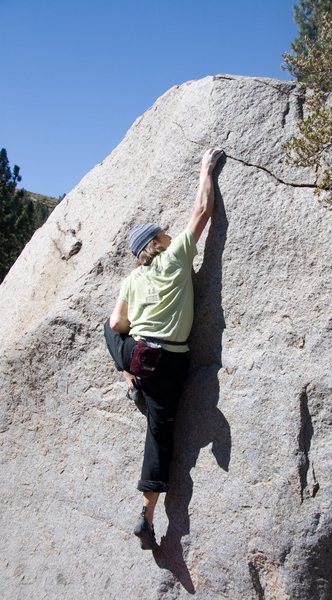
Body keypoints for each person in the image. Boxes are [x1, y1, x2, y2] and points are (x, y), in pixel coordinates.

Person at [103, 146, 224, 550]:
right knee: (160, 435)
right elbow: (203, 211)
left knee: (109, 331)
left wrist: (128, 361)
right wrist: (207, 168)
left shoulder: (131, 281)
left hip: (138, 354)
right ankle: (148, 512)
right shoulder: (175, 257)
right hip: (169, 361)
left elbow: (117, 324)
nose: (171, 233)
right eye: (164, 232)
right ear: (157, 241)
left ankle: (128, 376)